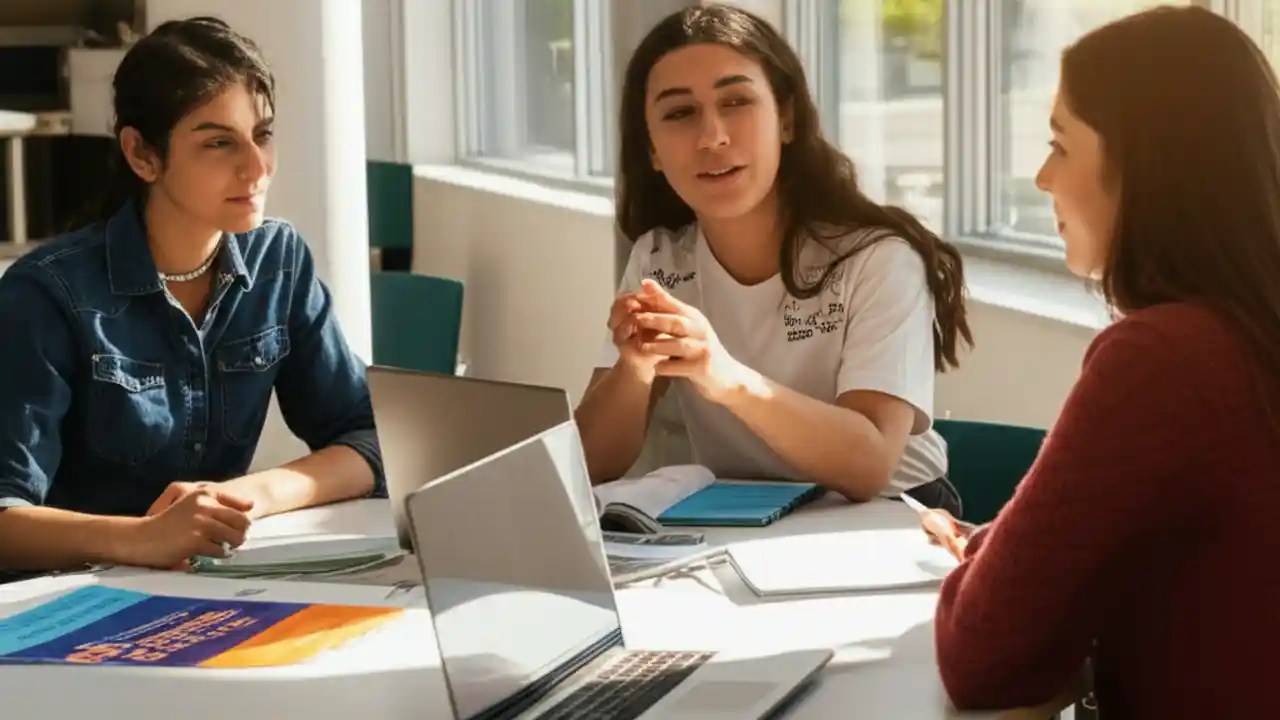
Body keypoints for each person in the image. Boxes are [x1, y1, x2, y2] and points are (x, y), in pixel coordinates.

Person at [927, 7, 1280, 717]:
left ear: (1144, 162)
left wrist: (983, 571)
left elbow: (982, 654)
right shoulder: (1245, 335)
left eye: (1060, 144)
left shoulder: (1162, 362)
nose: (1041, 177)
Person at [0, 17, 382, 574]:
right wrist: (145, 538)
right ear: (141, 155)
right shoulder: (45, 294)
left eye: (263, 135)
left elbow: (370, 438)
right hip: (64, 602)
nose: (257, 167)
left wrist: (246, 498)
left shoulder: (279, 261)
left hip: (205, 585)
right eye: (219, 142)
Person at [574, 5, 971, 511]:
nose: (712, 136)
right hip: (744, 515)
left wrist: (724, 375)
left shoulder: (877, 259)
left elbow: (868, 465)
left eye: (737, 101)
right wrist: (633, 370)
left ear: (786, 119)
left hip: (888, 515)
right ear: (651, 149)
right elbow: (588, 463)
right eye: (679, 113)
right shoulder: (660, 259)